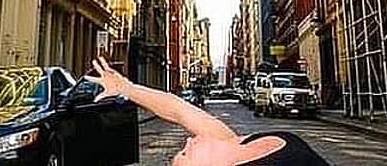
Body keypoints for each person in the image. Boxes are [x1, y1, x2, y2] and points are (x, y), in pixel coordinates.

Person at [88, 57, 330, 165]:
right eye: (184, 156)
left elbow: (178, 110)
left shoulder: (235, 145)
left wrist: (126, 88)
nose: (186, 144)